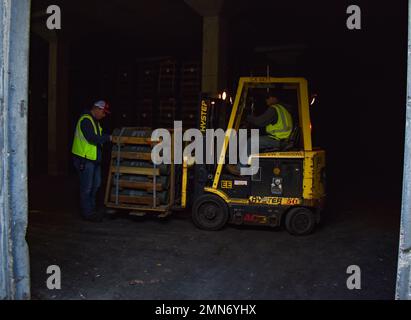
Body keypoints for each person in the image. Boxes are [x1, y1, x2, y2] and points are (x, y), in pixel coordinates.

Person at [227, 91, 294, 176]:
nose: (266, 100)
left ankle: (240, 168)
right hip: (282, 139)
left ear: (274, 98)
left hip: (277, 140)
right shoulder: (283, 109)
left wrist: (247, 116)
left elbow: (260, 122)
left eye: (268, 98)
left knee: (252, 141)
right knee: (255, 139)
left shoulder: (274, 109)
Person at [72, 100, 112, 222]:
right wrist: (108, 138)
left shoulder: (95, 122)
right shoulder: (86, 120)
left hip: (94, 160)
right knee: (87, 187)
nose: (104, 116)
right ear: (97, 109)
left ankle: (92, 209)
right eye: (103, 113)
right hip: (85, 160)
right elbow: (92, 138)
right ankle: (88, 213)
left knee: (96, 185)